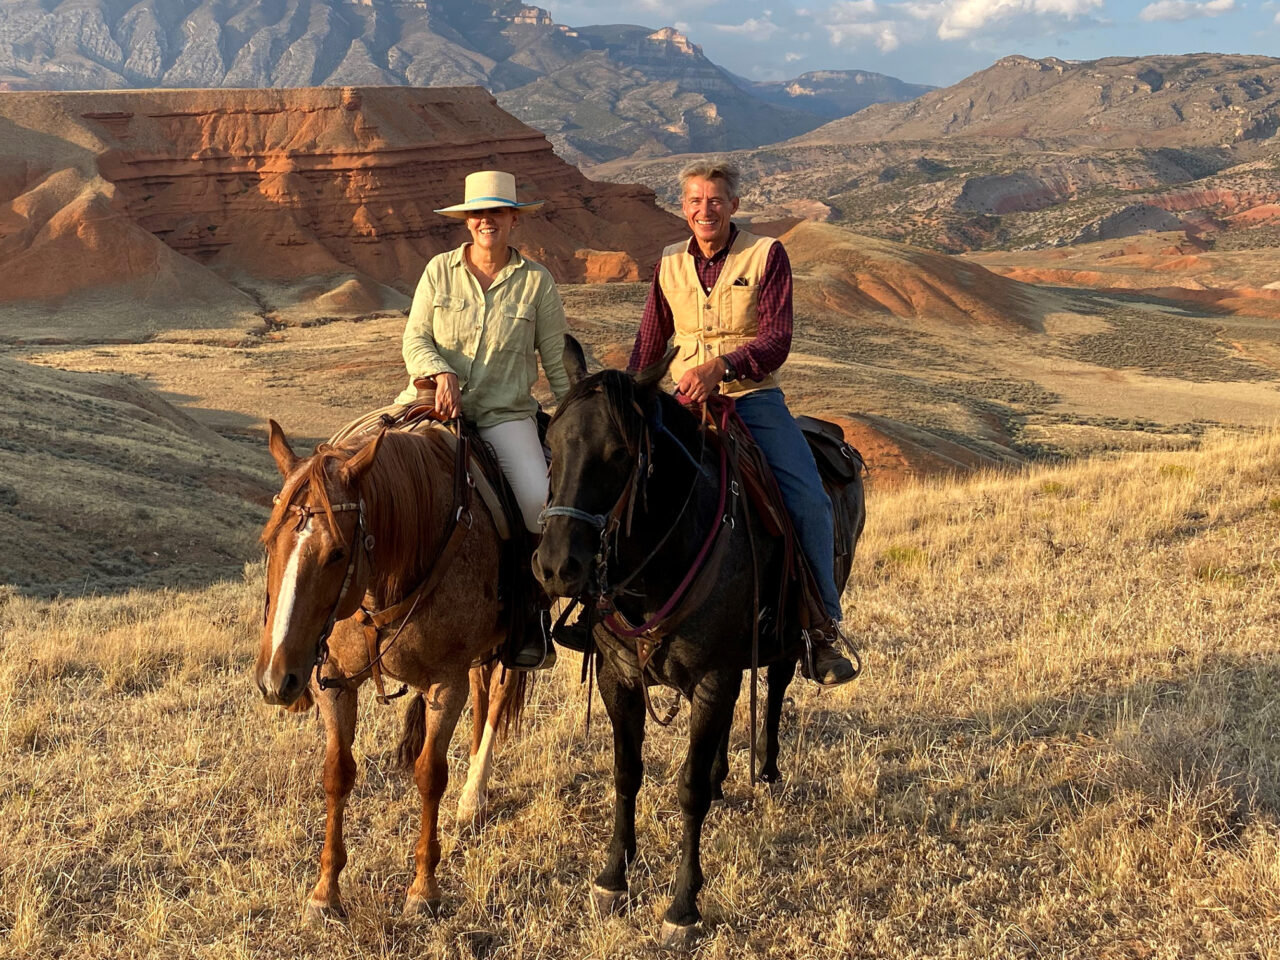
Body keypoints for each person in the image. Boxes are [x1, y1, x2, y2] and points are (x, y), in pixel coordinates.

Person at [627, 159, 857, 685]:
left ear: (733, 204)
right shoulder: (668, 263)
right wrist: (631, 396)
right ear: (682, 207)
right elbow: (649, 339)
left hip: (751, 400)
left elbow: (776, 338)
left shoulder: (766, 254)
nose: (704, 210)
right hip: (683, 403)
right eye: (694, 201)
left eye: (714, 200)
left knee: (807, 498)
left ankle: (820, 626)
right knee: (623, 483)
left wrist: (723, 366)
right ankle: (608, 615)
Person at [395, 170, 569, 669]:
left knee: (538, 502)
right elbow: (415, 340)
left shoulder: (536, 282)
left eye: (496, 212)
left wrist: (581, 415)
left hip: (503, 415)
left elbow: (556, 363)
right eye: (477, 213)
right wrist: (439, 371)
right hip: (429, 405)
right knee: (357, 468)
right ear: (466, 221)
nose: (485, 221)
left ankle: (528, 613)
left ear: (514, 219)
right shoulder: (438, 271)